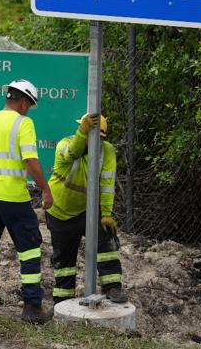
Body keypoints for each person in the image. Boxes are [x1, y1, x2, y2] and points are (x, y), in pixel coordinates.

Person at [0, 79, 53, 323]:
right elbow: (30, 160)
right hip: (13, 197)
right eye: (29, 106)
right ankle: (33, 308)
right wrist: (45, 190)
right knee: (29, 249)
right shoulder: (24, 123)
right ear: (24, 103)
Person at [45, 113, 128, 304]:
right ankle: (62, 301)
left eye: (98, 138)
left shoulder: (106, 151)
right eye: (90, 135)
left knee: (106, 243)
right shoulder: (65, 144)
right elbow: (71, 153)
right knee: (64, 259)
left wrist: (106, 214)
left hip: (87, 210)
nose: (95, 142)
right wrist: (82, 133)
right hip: (59, 211)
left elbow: (107, 184)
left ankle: (112, 287)